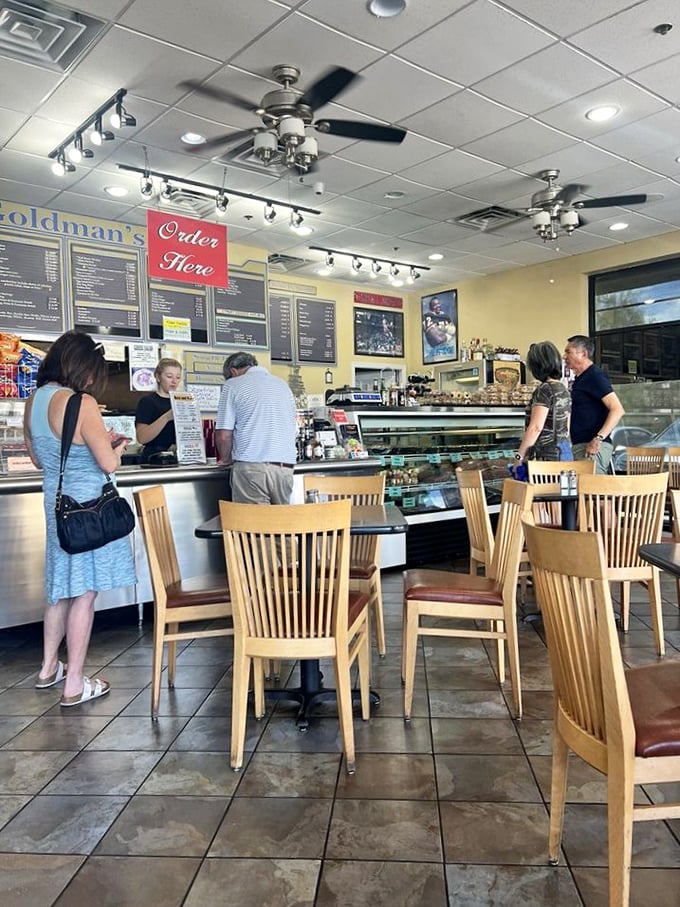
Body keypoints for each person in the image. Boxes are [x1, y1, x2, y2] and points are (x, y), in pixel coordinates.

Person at [23, 331, 136, 706]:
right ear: (80, 368)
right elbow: (108, 463)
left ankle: (48, 668)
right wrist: (117, 447)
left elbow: (40, 459)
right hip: (89, 509)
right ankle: (74, 684)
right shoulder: (80, 402)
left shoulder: (34, 401)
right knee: (85, 594)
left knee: (60, 589)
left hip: (56, 506)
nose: (91, 381)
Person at [215, 351, 297, 504]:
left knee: (253, 520)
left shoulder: (233, 384)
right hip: (285, 470)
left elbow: (223, 435)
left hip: (251, 469)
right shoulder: (283, 385)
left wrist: (225, 459)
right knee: (282, 519)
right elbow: (293, 427)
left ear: (233, 372)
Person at [564, 334, 625, 474]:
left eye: (568, 352)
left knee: (593, 487)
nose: (564, 356)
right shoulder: (581, 379)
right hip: (581, 445)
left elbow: (617, 409)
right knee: (581, 487)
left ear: (584, 354)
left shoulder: (595, 376)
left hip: (592, 447)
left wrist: (598, 438)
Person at [515, 341, 571, 463]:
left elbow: (536, 427)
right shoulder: (563, 389)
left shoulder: (544, 389)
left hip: (547, 455)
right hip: (565, 451)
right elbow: (566, 427)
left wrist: (519, 456)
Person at [135, 357, 182, 463]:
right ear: (158, 377)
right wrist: (166, 417)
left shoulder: (181, 402)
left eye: (178, 377)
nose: (174, 381)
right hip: (153, 459)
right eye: (169, 376)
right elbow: (142, 437)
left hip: (178, 457)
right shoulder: (148, 401)